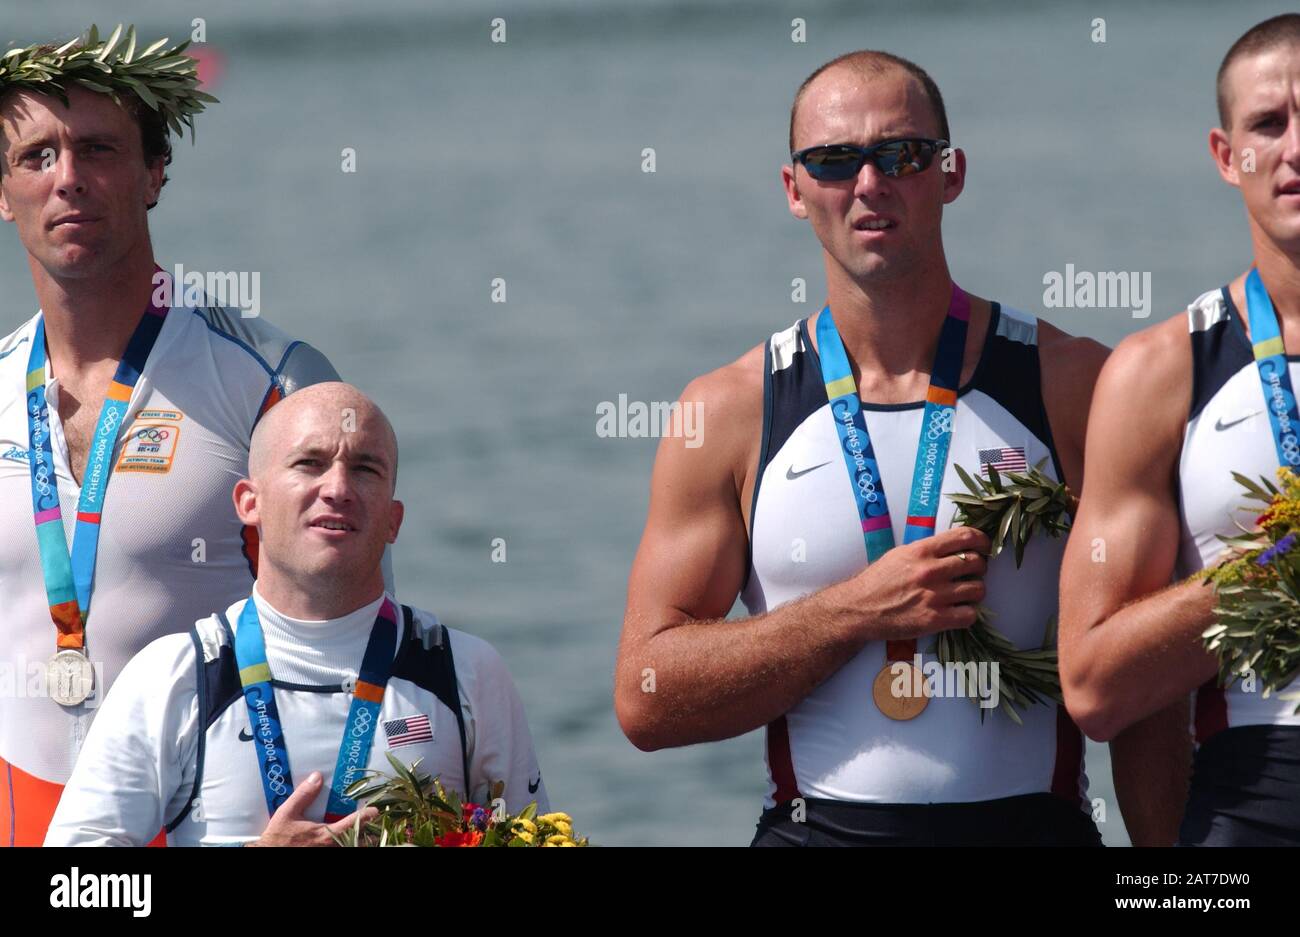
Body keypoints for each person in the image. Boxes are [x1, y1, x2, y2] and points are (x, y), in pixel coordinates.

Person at [614, 49, 1116, 846]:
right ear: (794, 189)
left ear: (951, 174)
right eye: (835, 160)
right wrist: (853, 611)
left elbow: (1155, 686)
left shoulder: (1075, 382)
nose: (870, 184)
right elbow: (646, 699)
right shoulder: (731, 409)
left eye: (903, 154)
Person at [0, 28, 350, 845]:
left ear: (156, 172)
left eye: (98, 150)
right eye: (36, 156)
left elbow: (349, 640)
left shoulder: (272, 383)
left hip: (215, 822)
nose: (69, 180)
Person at [46, 382, 547, 846]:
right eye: (310, 463)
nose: (337, 488)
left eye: (365, 468)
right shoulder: (171, 678)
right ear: (249, 503)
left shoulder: (468, 673)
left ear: (394, 520)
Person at [1060, 13, 1300, 846]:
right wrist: (1275, 569)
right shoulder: (1158, 372)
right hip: (1258, 795)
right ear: (1226, 156)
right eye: (1269, 123)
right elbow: (1095, 687)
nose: (1296, 147)